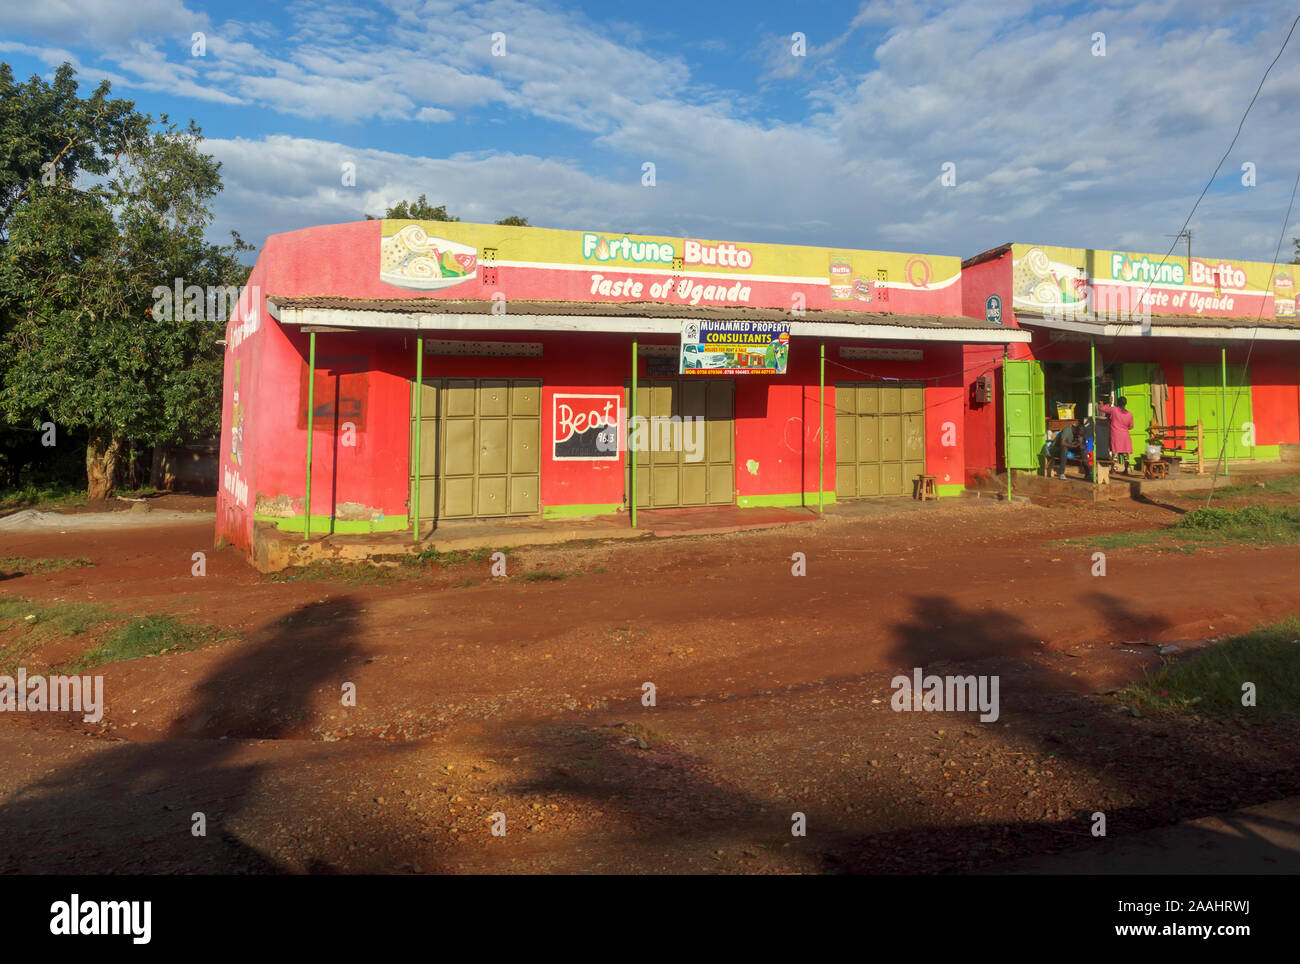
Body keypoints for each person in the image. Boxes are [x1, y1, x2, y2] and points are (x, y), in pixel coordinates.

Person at [1100, 396, 1135, 473]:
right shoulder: (1130, 414)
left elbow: (1102, 409)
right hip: (1125, 435)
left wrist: (1109, 403)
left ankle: (1112, 469)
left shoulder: (1114, 410)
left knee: (1115, 452)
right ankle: (1126, 470)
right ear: (1126, 403)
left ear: (1118, 403)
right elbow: (1131, 426)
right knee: (1126, 453)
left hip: (1116, 434)